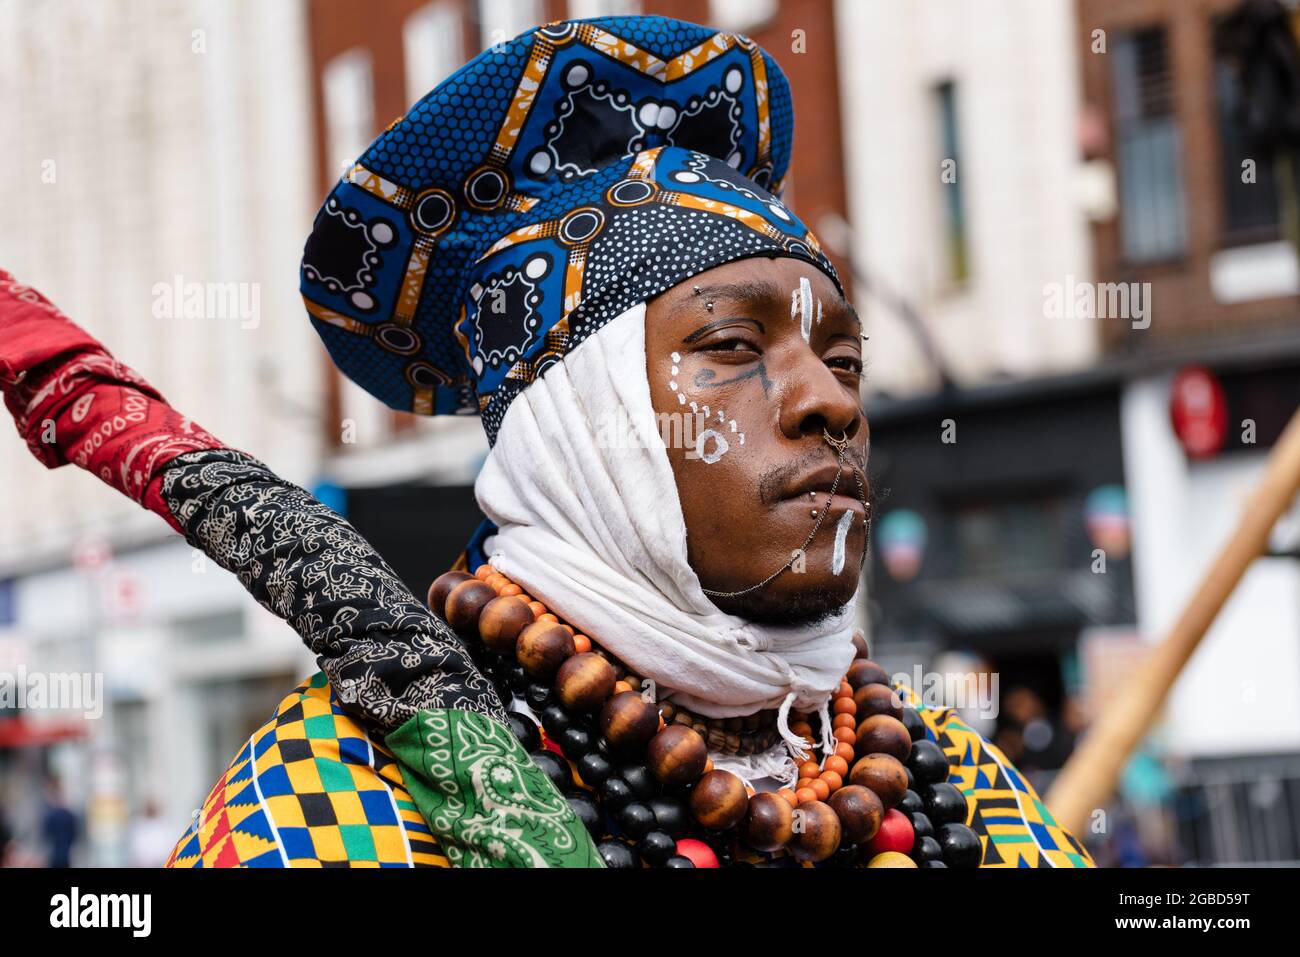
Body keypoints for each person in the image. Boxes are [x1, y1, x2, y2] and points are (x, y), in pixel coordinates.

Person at [0, 14, 1093, 869]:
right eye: (729, 347)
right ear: (580, 425)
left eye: (843, 360)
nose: (829, 403)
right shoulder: (328, 803)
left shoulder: (956, 783)